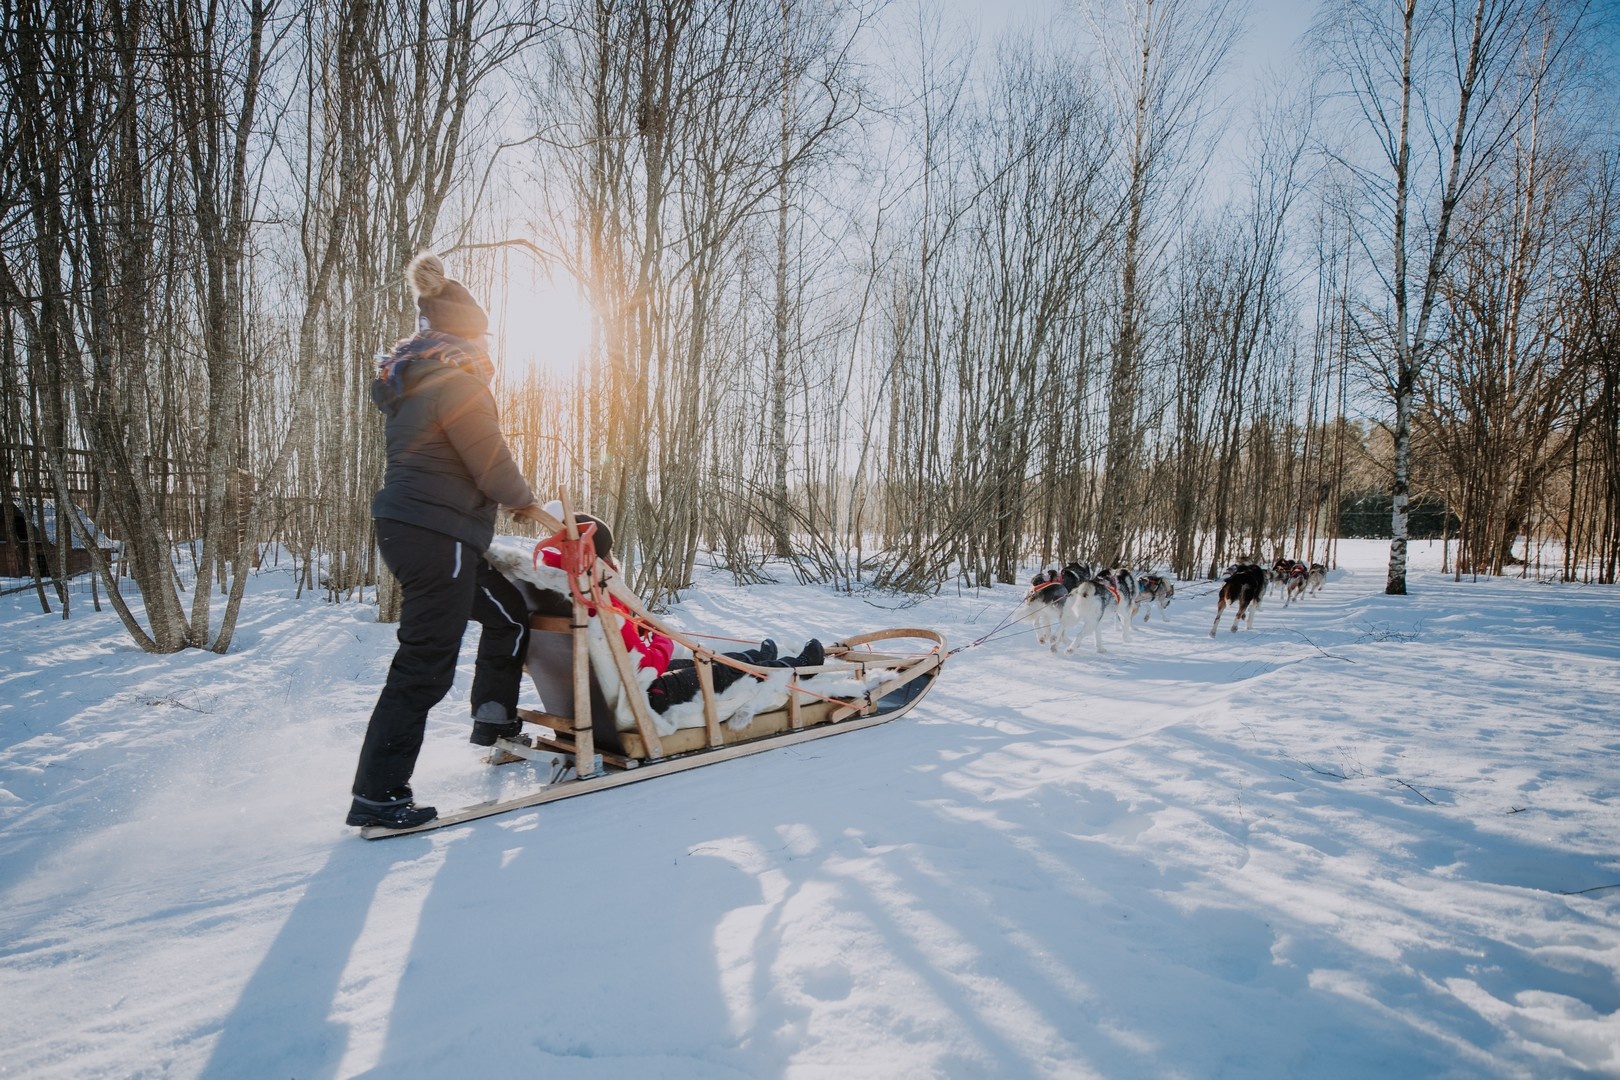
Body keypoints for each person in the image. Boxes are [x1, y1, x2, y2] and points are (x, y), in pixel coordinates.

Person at [348, 253, 549, 830]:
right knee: (425, 664)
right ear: (469, 335)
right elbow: (491, 465)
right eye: (485, 337)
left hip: (416, 530)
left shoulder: (414, 381)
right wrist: (536, 509)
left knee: (508, 614)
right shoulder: (456, 380)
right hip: (439, 536)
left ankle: (494, 717)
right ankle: (379, 796)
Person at [533, 503, 824, 714]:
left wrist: (638, 626)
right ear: (601, 558)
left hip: (604, 687)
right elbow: (646, 665)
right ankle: (796, 670)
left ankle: (754, 657)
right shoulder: (601, 598)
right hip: (643, 691)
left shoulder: (557, 589)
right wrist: (663, 638)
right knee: (722, 673)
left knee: (703, 663)